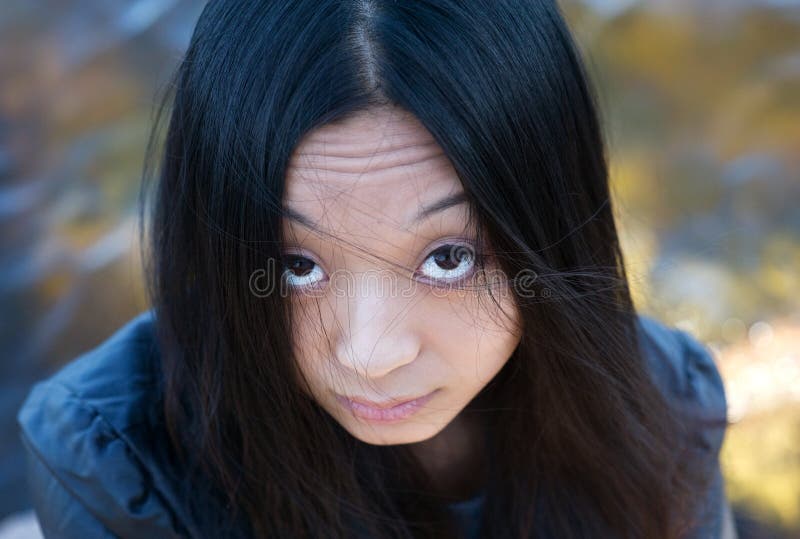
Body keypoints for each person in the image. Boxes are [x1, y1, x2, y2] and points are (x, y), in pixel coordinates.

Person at [16, 0, 735, 537]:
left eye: (448, 257)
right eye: (295, 265)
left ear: (550, 229)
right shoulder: (115, 462)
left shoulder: (665, 409)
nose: (371, 353)